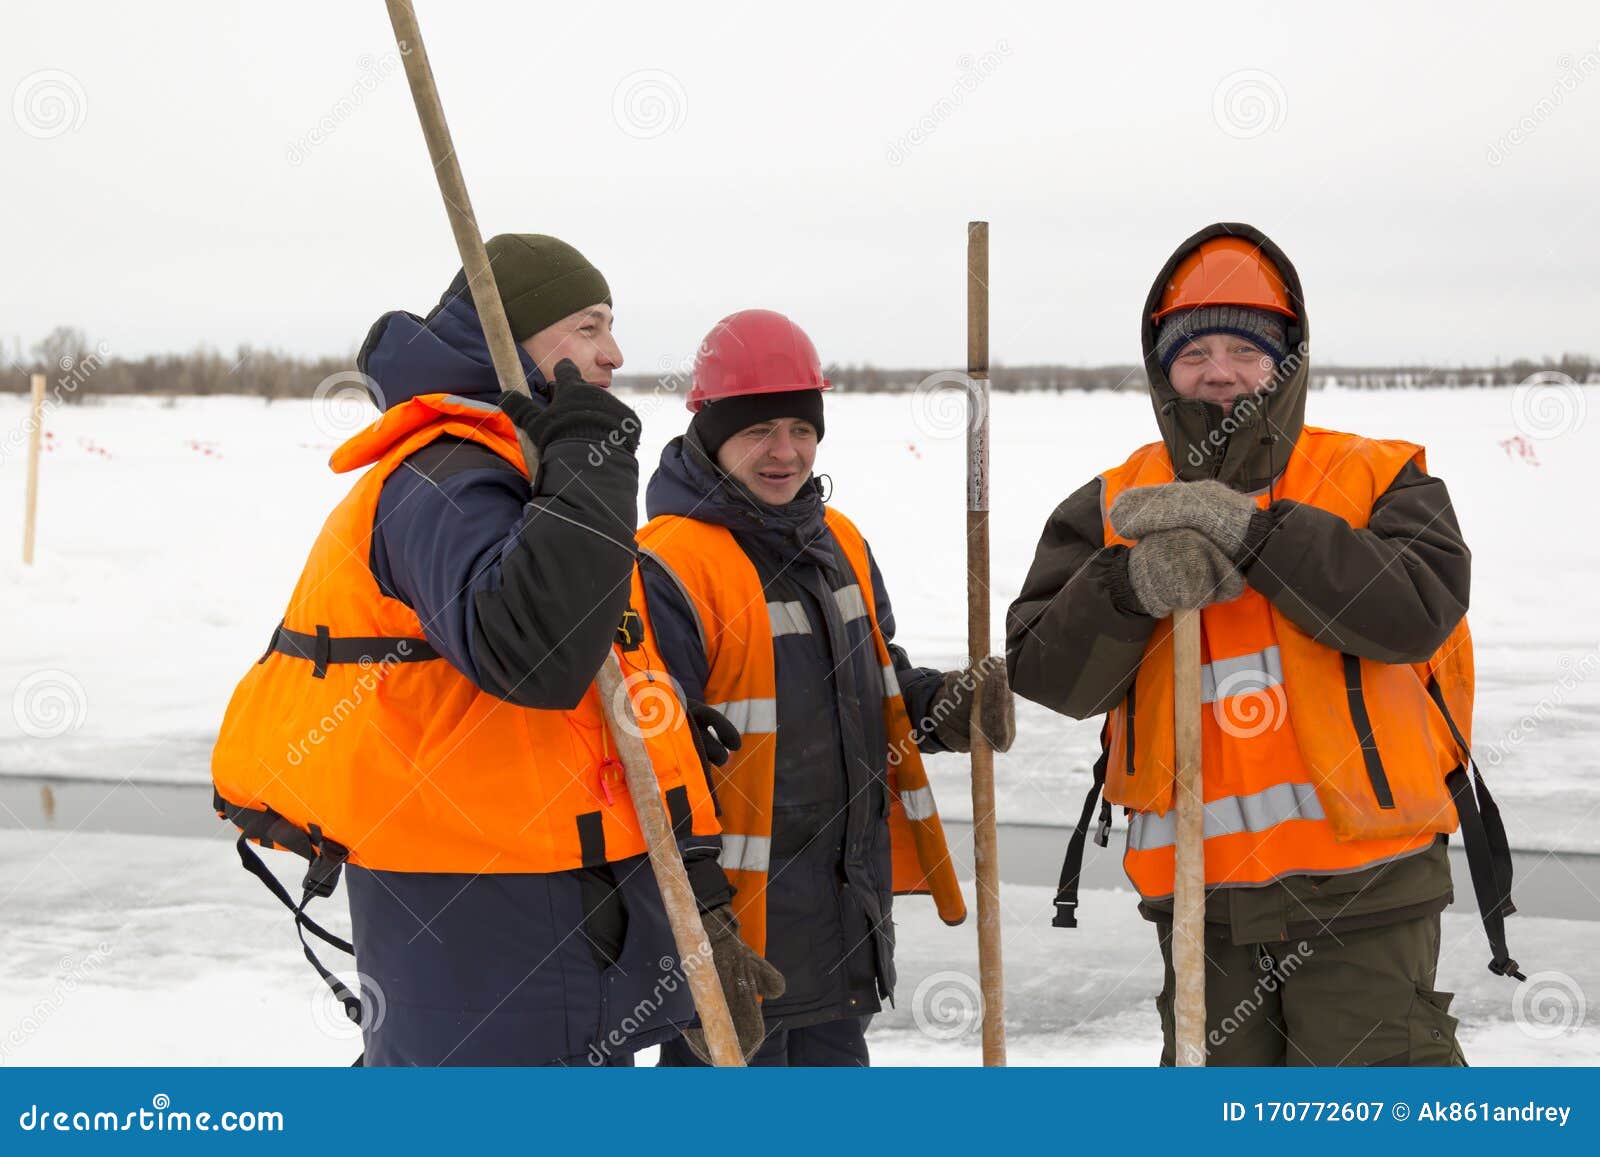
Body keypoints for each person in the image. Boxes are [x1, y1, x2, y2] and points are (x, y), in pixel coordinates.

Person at [1006, 223, 1520, 1066]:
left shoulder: (1380, 476)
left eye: (1243, 350)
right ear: (1160, 365)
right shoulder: (1108, 502)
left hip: (1367, 892)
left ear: (1285, 361)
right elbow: (1044, 670)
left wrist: (1256, 534)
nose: (1217, 371)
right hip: (1200, 906)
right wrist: (1127, 589)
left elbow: (1415, 609)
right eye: (1193, 349)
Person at [211, 234, 727, 1066]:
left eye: (611, 326)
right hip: (473, 923)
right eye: (588, 326)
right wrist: (591, 462)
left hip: (563, 909)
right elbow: (536, 652)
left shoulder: (529, 464)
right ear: (508, 338)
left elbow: (596, 673)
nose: (614, 352)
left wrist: (696, 921)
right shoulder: (442, 475)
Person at [635, 308, 1015, 1066]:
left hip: (844, 926)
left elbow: (879, 690)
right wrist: (701, 926)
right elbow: (648, 769)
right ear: (711, 435)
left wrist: (945, 707)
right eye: (758, 431)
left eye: (801, 429)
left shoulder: (839, 540)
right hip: (741, 936)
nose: (786, 452)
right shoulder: (666, 566)